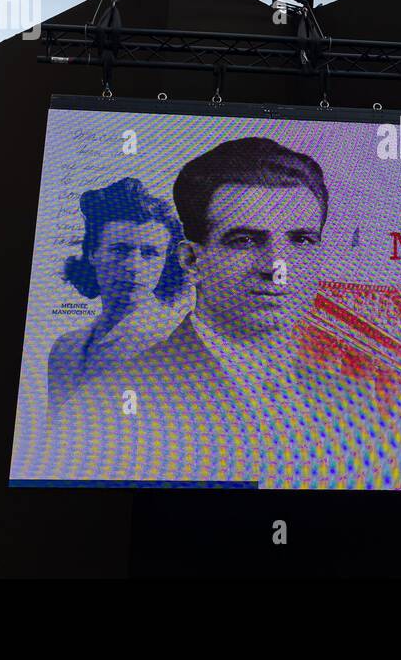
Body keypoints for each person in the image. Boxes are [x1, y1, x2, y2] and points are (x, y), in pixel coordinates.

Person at [56, 137, 332, 483]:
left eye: (302, 240)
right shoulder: (102, 408)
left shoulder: (353, 400)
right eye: (244, 241)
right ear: (190, 260)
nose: (278, 268)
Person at [46, 177, 187, 411]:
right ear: (93, 253)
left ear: (165, 261)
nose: (134, 266)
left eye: (150, 253)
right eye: (120, 250)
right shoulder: (65, 349)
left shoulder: (175, 343)